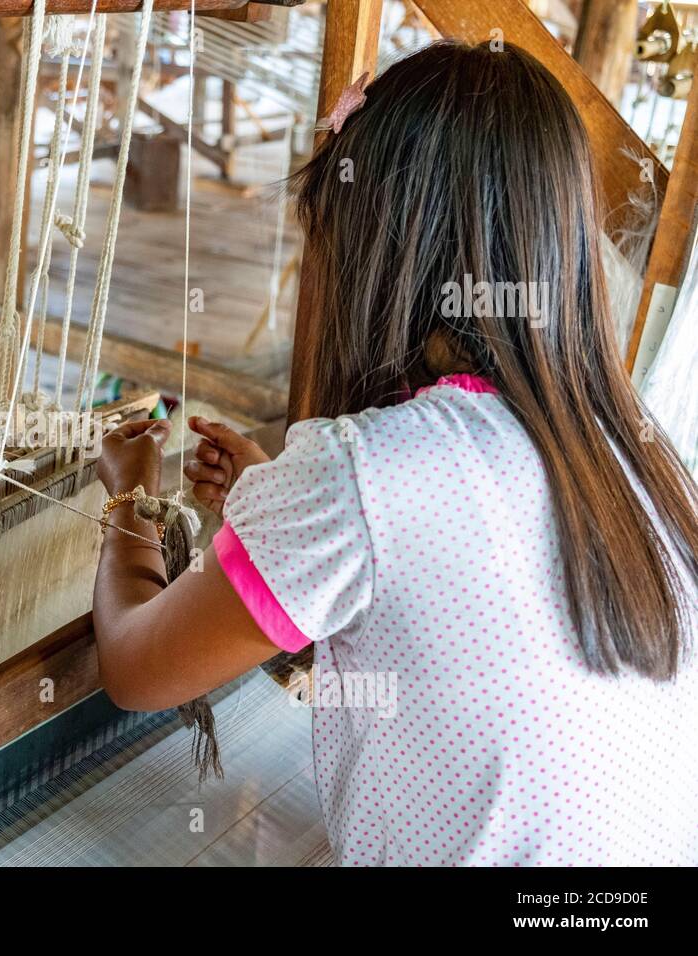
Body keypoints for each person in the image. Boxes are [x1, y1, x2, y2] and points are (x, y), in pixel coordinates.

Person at [90, 41, 698, 865]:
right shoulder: (638, 456)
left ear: (378, 255)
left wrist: (129, 498)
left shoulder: (362, 473)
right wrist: (274, 511)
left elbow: (135, 667)